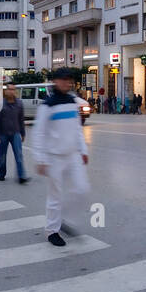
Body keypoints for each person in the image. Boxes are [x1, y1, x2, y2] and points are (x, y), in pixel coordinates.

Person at [34, 66, 92, 247]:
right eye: (64, 79)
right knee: (55, 196)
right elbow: (39, 133)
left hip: (73, 155)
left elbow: (77, 128)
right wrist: (40, 159)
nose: (67, 82)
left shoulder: (73, 101)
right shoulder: (47, 106)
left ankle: (64, 219)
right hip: (54, 158)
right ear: (56, 82)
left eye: (70, 80)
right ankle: (52, 230)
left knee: (82, 189)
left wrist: (83, 150)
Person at [0, 89, 28, 184]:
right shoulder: (0, 103)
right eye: (9, 89)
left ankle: (21, 176)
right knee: (2, 156)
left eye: (13, 89)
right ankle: (2, 173)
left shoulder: (19, 103)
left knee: (19, 155)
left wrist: (23, 133)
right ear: (6, 91)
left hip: (15, 133)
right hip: (3, 134)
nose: (11, 91)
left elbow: (21, 119)